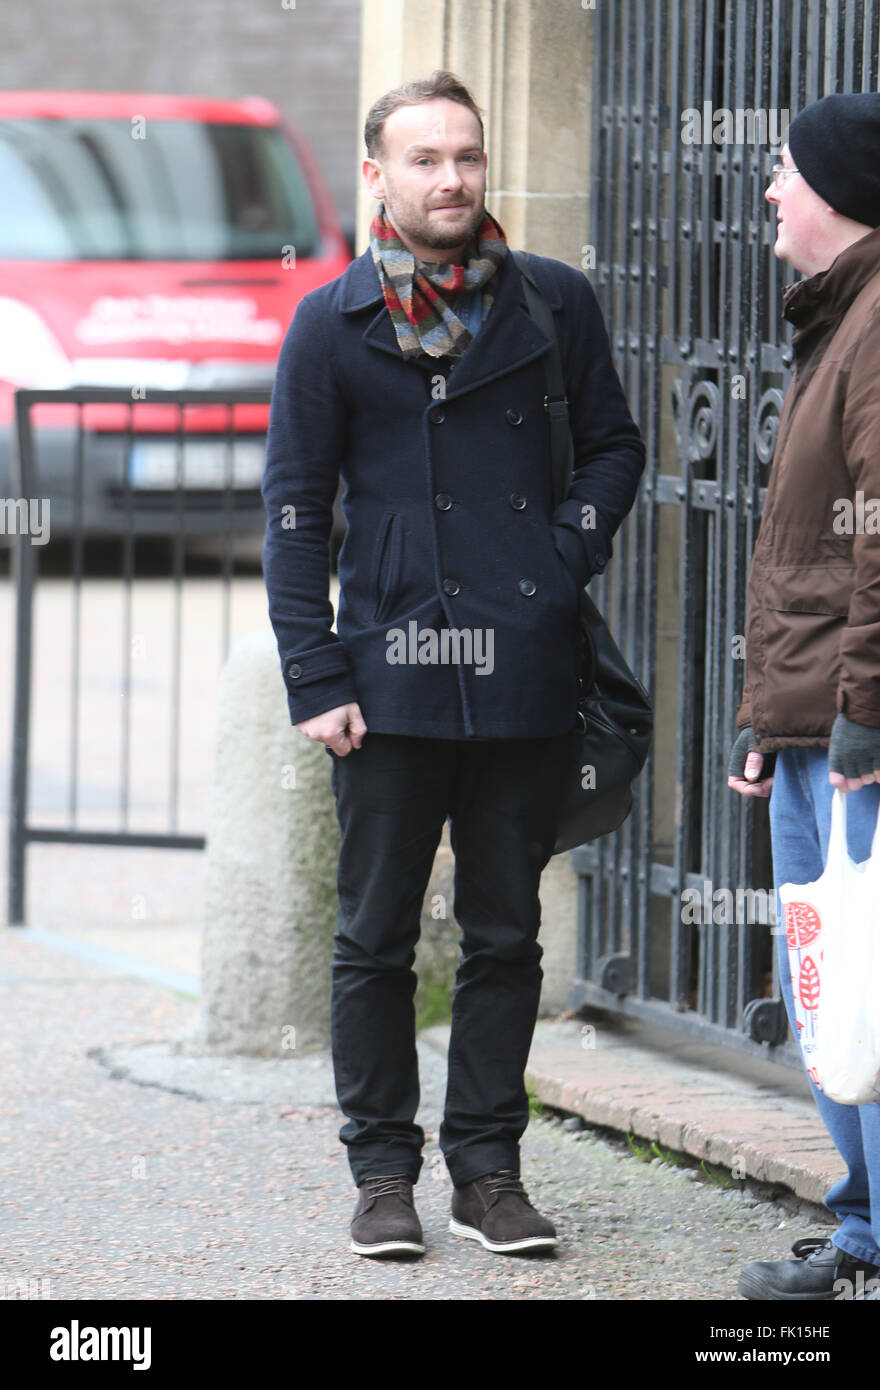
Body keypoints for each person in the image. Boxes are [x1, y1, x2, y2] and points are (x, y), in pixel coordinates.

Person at [261, 71, 645, 1258]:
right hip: (386, 677)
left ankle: (488, 1168)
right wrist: (315, 676)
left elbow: (615, 447)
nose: (452, 179)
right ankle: (383, 1171)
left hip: (522, 661)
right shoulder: (331, 322)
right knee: (372, 936)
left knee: (505, 934)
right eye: (424, 159)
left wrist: (562, 549)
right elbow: (292, 506)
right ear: (377, 173)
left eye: (466, 156)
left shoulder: (552, 302)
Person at [728, 91, 880, 1302]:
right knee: (828, 984)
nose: (769, 189)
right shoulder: (839, 315)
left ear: (838, 189)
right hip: (809, 730)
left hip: (857, 739)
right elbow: (806, 558)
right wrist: (765, 722)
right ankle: (862, 1229)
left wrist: (861, 716)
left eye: (784, 171)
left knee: (864, 982)